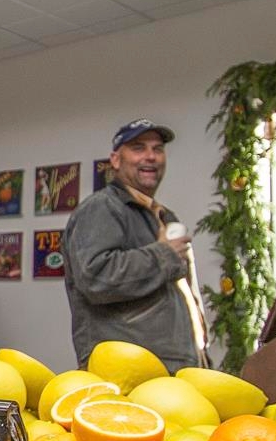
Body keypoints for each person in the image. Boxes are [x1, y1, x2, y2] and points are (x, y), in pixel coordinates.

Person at [62, 119, 207, 373]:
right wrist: (163, 255)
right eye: (138, 148)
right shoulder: (101, 208)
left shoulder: (163, 216)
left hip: (173, 366)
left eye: (157, 149)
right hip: (126, 369)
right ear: (116, 160)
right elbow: (95, 277)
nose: (150, 156)